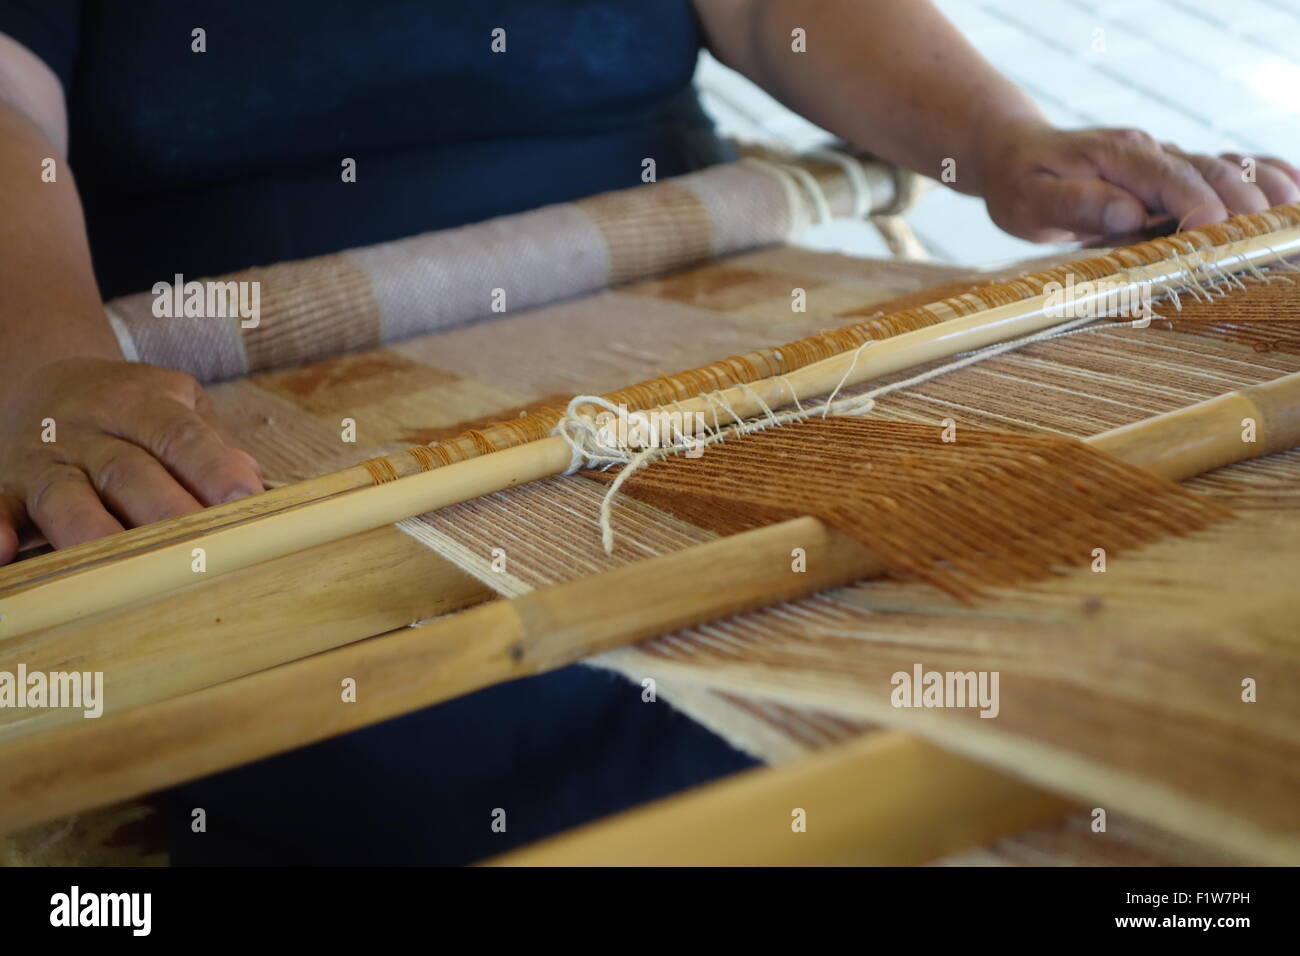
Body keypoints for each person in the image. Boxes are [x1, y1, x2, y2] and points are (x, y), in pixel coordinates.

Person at [1, 0, 1296, 864]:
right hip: (248, 356)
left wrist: (1009, 139)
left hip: (691, 277)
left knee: (1073, 570)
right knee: (392, 741)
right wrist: (48, 364)